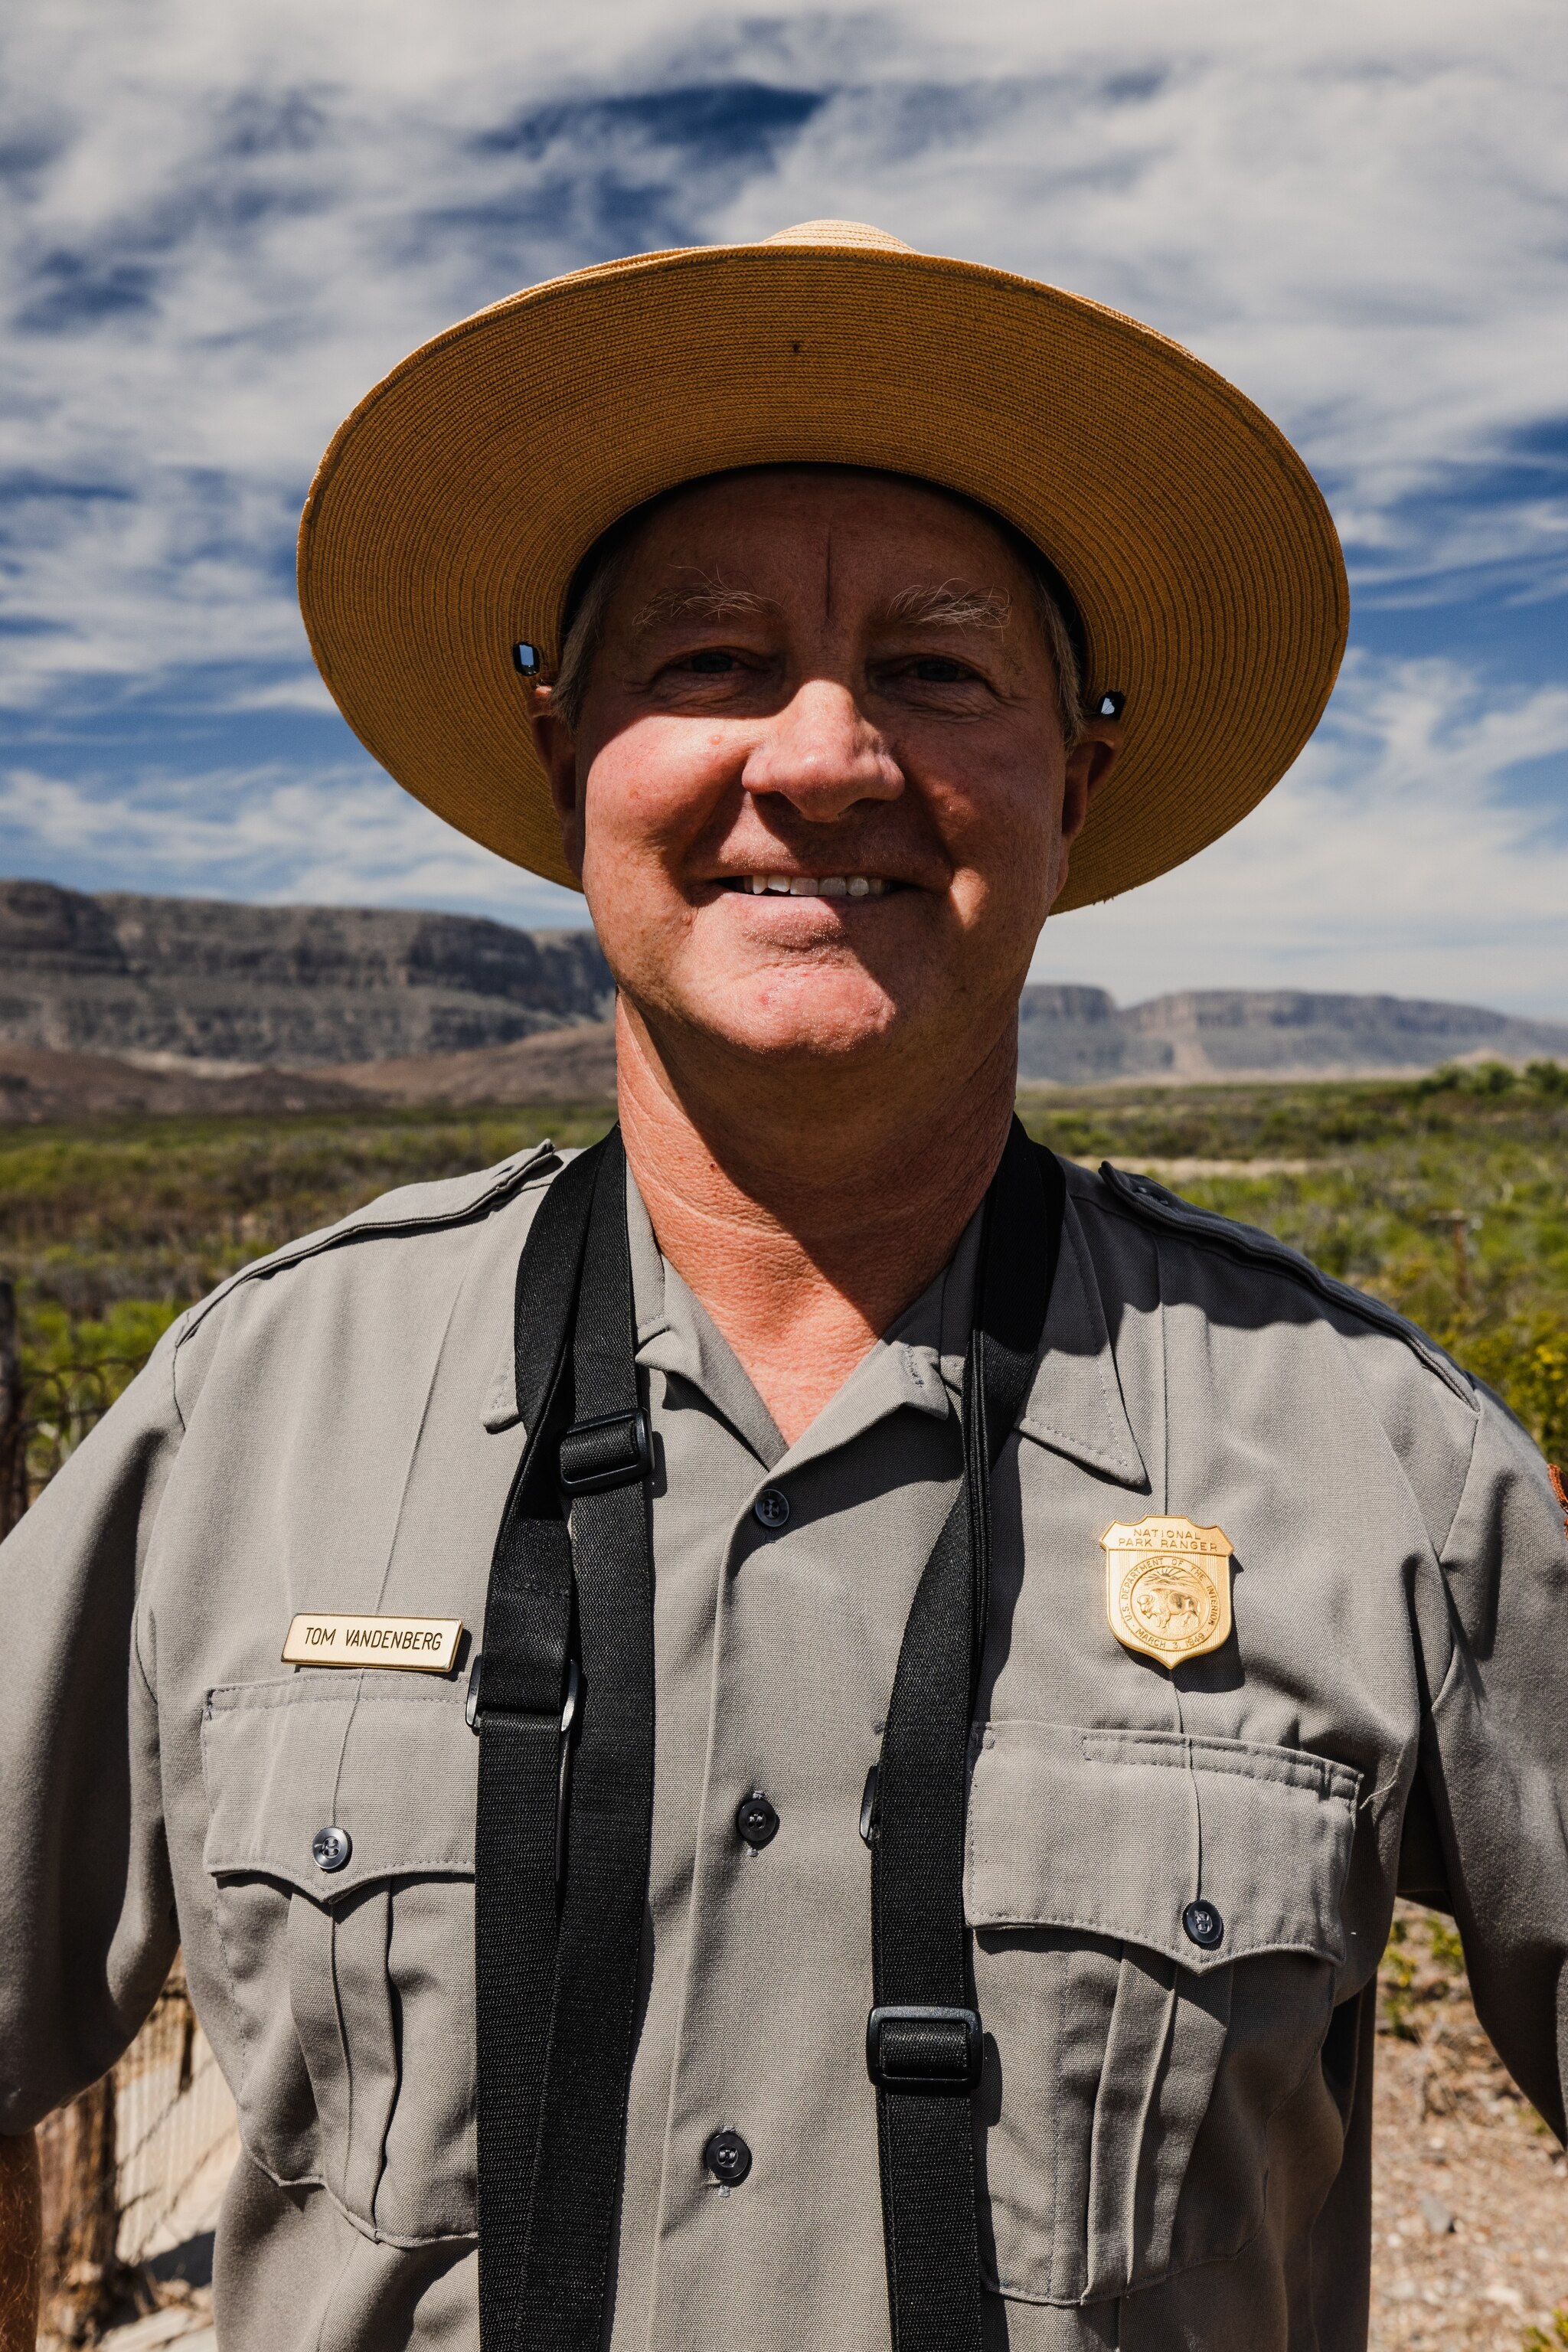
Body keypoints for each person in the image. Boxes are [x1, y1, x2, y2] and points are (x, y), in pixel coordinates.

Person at [1, 220, 1563, 2352]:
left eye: (935, 670)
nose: (821, 758)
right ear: (568, 756)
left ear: (1074, 784)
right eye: (713, 662)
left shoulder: (1373, 1456)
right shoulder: (257, 1411)